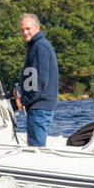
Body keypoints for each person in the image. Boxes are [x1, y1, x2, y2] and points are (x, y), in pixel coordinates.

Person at [12, 13, 59, 146]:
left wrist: (24, 101)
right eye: (22, 30)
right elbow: (32, 76)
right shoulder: (35, 46)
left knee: (36, 149)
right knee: (34, 146)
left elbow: (40, 81)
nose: (25, 32)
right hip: (37, 106)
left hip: (40, 107)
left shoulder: (40, 47)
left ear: (37, 28)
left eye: (28, 29)